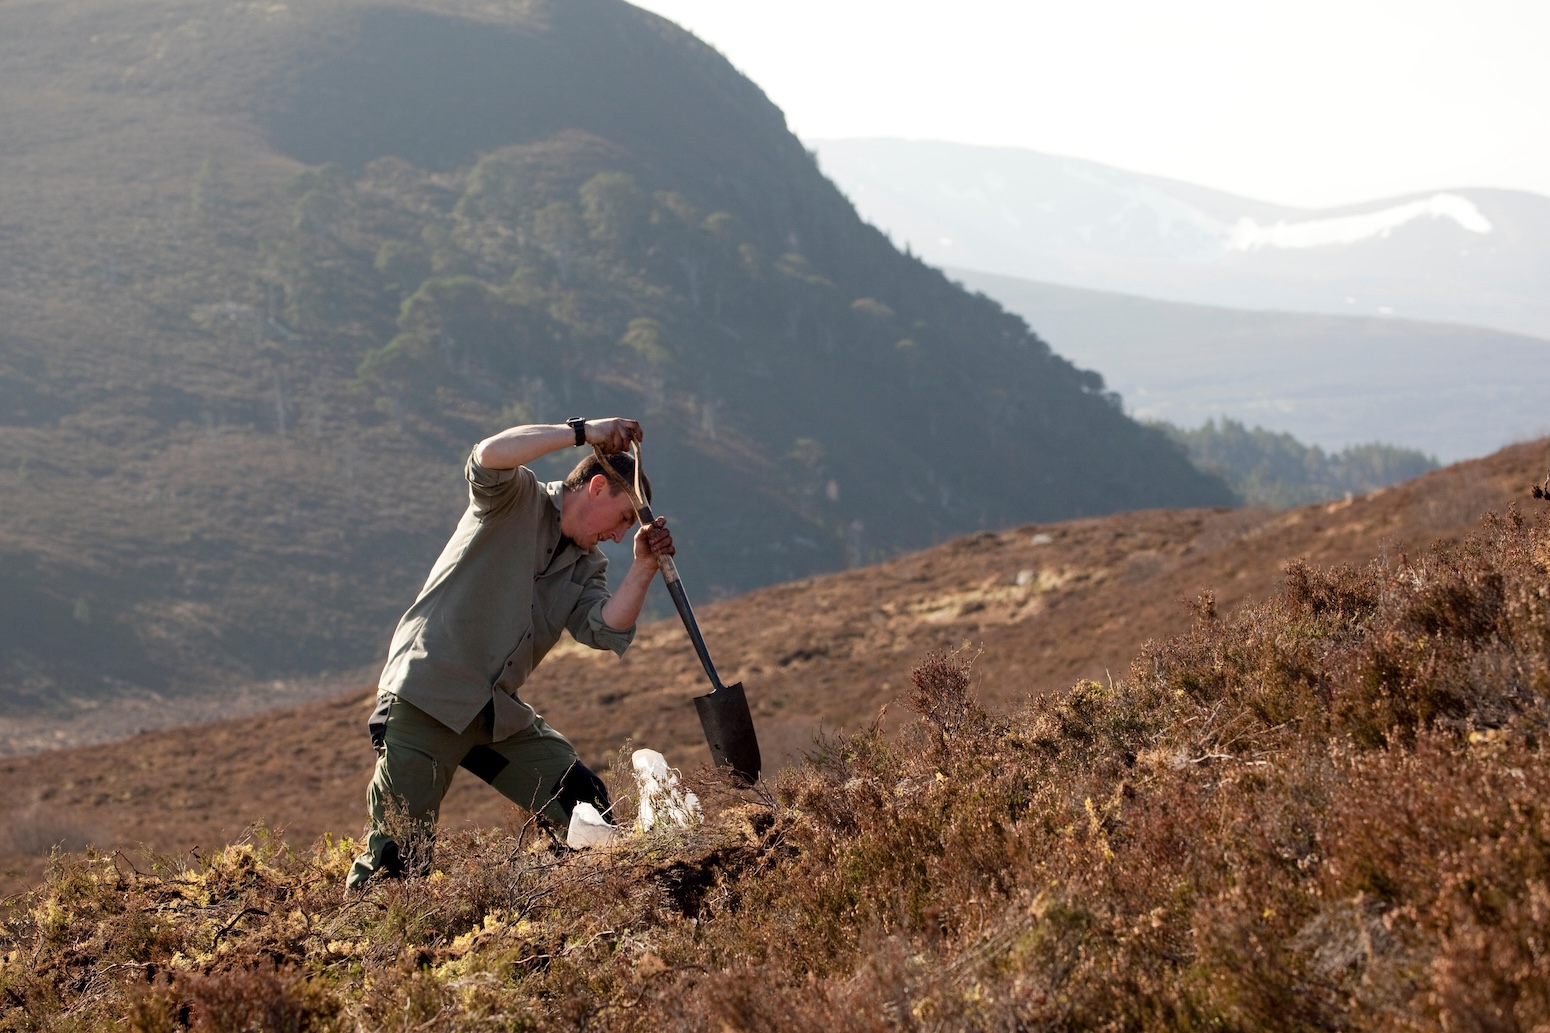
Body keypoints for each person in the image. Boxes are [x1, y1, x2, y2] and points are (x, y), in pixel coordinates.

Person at [347, 417, 673, 889]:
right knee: (398, 866)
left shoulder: (587, 567)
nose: (621, 536)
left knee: (584, 805)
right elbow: (488, 454)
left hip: (494, 714)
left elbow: (604, 628)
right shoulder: (514, 497)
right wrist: (585, 432)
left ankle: (563, 913)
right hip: (425, 699)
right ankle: (356, 954)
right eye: (624, 519)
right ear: (597, 487)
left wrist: (643, 568)